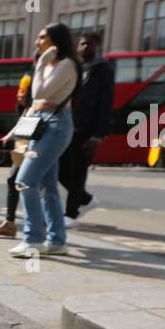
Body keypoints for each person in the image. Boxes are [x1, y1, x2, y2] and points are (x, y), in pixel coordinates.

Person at [7, 22, 80, 258]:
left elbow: (39, 93)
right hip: (41, 123)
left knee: (25, 181)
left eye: (42, 37)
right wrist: (14, 132)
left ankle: (34, 240)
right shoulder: (50, 66)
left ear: (55, 41)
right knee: (47, 187)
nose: (37, 42)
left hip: (56, 126)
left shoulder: (67, 65)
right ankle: (57, 241)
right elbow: (34, 104)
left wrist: (39, 64)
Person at [59, 31, 113, 226]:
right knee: (60, 171)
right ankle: (86, 199)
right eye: (82, 44)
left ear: (96, 46)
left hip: (87, 130)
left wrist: (97, 136)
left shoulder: (103, 69)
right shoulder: (77, 67)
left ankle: (71, 213)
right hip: (69, 126)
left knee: (78, 172)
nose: (85, 47)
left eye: (89, 44)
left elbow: (105, 102)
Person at [0, 72, 32, 238]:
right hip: (21, 152)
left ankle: (38, 228)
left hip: (30, 152)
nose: (19, 95)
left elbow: (25, 129)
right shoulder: (28, 109)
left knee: (30, 186)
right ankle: (10, 223)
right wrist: (6, 139)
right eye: (19, 91)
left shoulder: (35, 108)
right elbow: (20, 127)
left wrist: (8, 139)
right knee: (14, 181)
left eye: (23, 92)